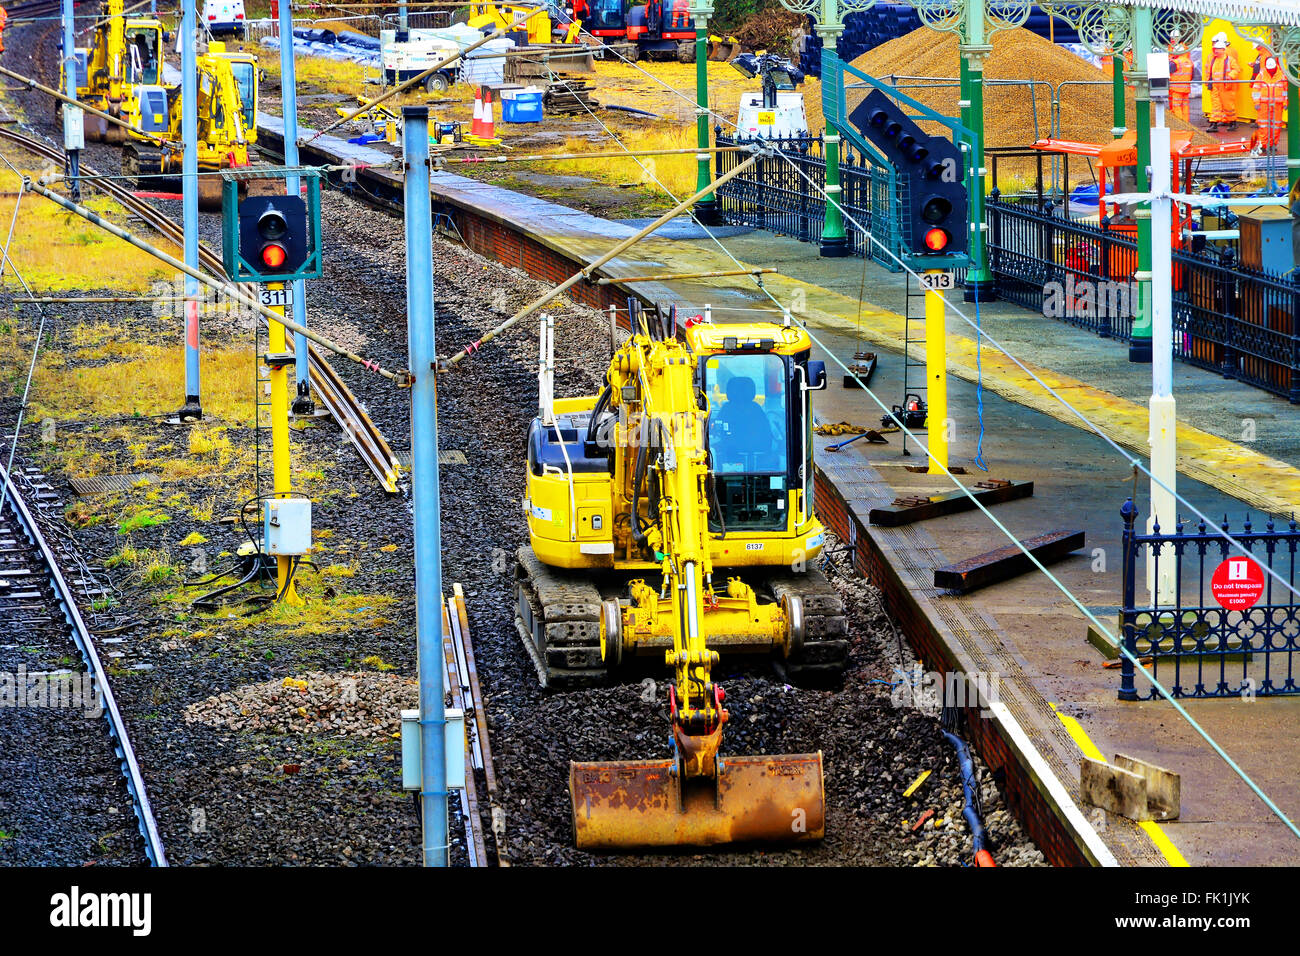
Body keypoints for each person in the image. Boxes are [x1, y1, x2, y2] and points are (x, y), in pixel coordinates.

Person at [1251, 54, 1287, 153]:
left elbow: (1285, 90)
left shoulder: (1282, 75)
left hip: (1277, 105)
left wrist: (1285, 102)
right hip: (1263, 105)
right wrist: (1256, 102)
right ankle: (1264, 144)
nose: (1270, 70)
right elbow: (1256, 90)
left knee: (1276, 126)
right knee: (1263, 126)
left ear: (1276, 66)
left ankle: (1273, 144)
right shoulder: (1261, 75)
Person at [1206, 32, 1241, 132]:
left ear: (1223, 49)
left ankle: (1233, 122)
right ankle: (1214, 124)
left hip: (1226, 86)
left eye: (1217, 49)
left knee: (1228, 105)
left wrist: (1230, 76)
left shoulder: (1229, 59)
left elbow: (1236, 69)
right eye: (1215, 49)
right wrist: (1208, 82)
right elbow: (1209, 71)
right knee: (1215, 106)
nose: (1215, 51)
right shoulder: (1213, 59)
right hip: (1215, 86)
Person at [1168, 30, 1194, 123]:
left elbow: (1170, 70)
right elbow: (1192, 74)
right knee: (1185, 105)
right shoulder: (1189, 61)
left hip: (1176, 87)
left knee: (1177, 105)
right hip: (1186, 87)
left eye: (1173, 38)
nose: (1172, 40)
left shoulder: (1176, 60)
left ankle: (1180, 123)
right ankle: (1186, 123)